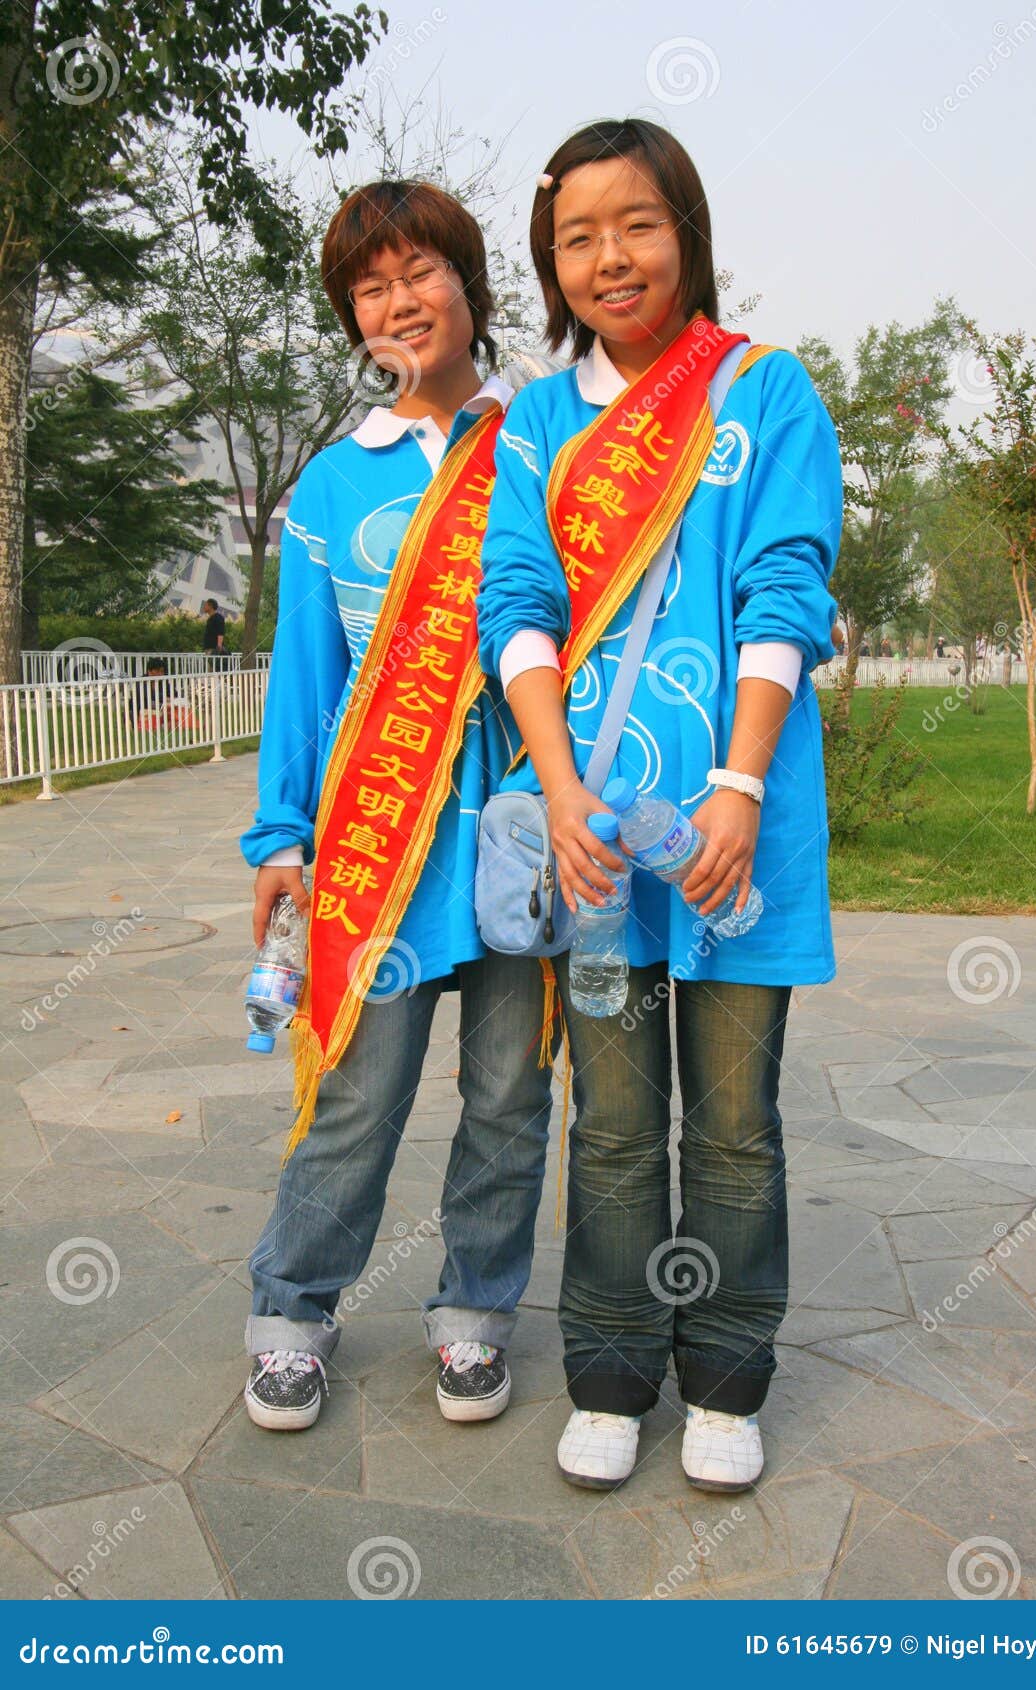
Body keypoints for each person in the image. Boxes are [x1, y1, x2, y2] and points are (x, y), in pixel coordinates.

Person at [478, 119, 842, 1493]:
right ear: (549, 258)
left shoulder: (763, 395)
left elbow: (782, 591)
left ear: (684, 229)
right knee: (617, 1120)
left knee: (734, 1118)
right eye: (576, 235)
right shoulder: (536, 419)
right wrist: (558, 792)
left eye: (633, 223)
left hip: (738, 837)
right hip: (595, 849)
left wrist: (740, 786)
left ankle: (729, 1372)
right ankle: (614, 1366)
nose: (607, 256)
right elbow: (514, 600)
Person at [239, 180, 556, 1433]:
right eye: (369, 288)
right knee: (358, 1093)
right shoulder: (330, 487)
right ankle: (291, 1307)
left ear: (469, 284)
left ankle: (474, 1311)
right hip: (383, 837)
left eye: (417, 272)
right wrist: (279, 834)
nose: (397, 302)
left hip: (521, 826)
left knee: (509, 1090)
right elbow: (303, 681)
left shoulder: (543, 441)